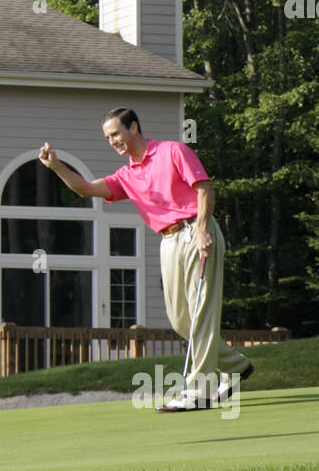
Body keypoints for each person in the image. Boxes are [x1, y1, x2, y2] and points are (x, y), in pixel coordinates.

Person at [38, 107, 253, 411]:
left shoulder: (173, 151)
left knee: (201, 312)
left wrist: (203, 229)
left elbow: (204, 189)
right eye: (108, 137)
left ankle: (199, 391)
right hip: (167, 241)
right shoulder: (126, 176)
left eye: (115, 133)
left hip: (195, 230)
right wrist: (56, 166)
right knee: (181, 320)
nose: (112, 141)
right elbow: (85, 188)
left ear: (133, 127)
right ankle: (236, 366)